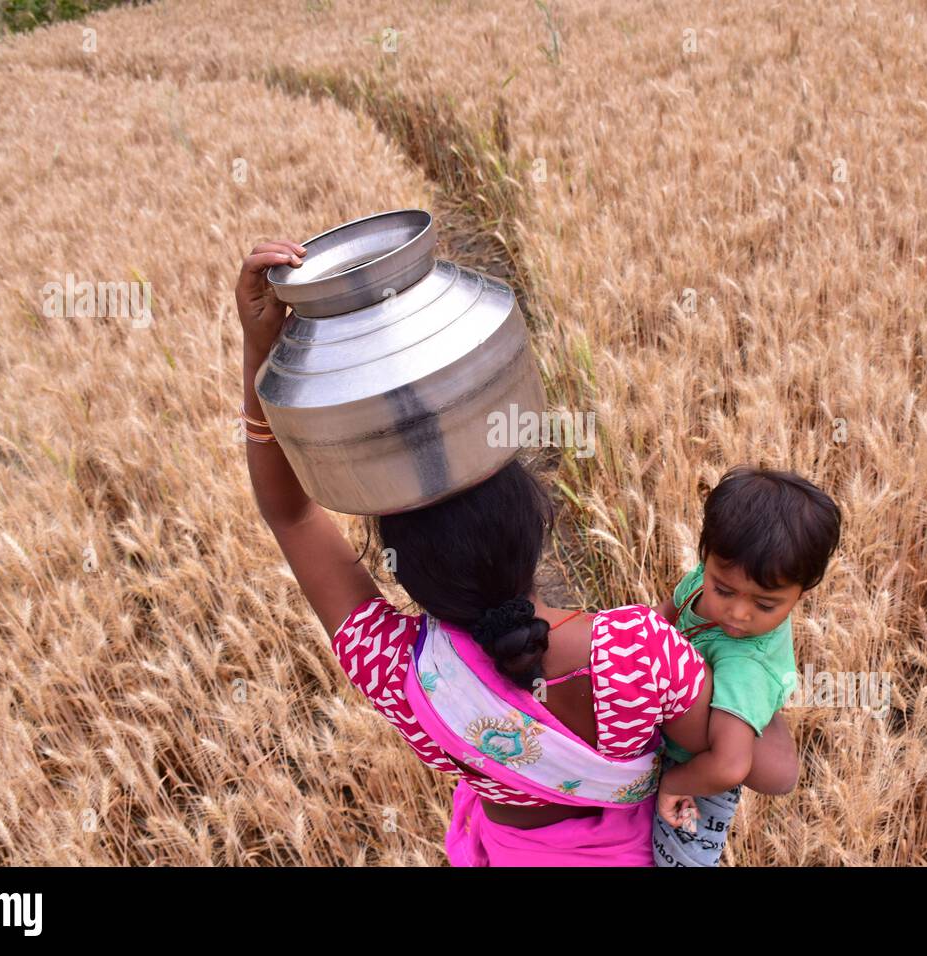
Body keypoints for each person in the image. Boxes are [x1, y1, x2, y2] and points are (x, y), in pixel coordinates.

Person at [235, 238, 716, 865]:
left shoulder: (403, 678)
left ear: (404, 570)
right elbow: (711, 748)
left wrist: (261, 349)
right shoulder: (640, 651)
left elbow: (291, 513)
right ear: (536, 524)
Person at [651, 467, 842, 866]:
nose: (737, 613)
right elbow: (660, 620)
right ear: (706, 558)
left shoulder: (746, 665)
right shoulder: (700, 582)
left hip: (698, 779)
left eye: (765, 604)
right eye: (724, 589)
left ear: (801, 592)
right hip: (677, 734)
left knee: (675, 858)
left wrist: (672, 783)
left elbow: (729, 764)